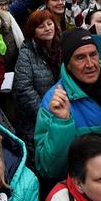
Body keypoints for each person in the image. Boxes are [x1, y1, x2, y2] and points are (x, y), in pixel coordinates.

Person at [34, 28, 101, 181]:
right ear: (68, 64)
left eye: (93, 55)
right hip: (89, 191)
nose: (90, 64)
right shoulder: (53, 102)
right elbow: (48, 168)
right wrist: (61, 124)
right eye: (80, 58)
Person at [13, 10, 61, 147]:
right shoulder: (26, 53)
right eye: (41, 26)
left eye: (49, 24)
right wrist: (44, 112)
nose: (47, 28)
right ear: (33, 31)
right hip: (38, 117)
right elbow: (23, 88)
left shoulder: (61, 46)